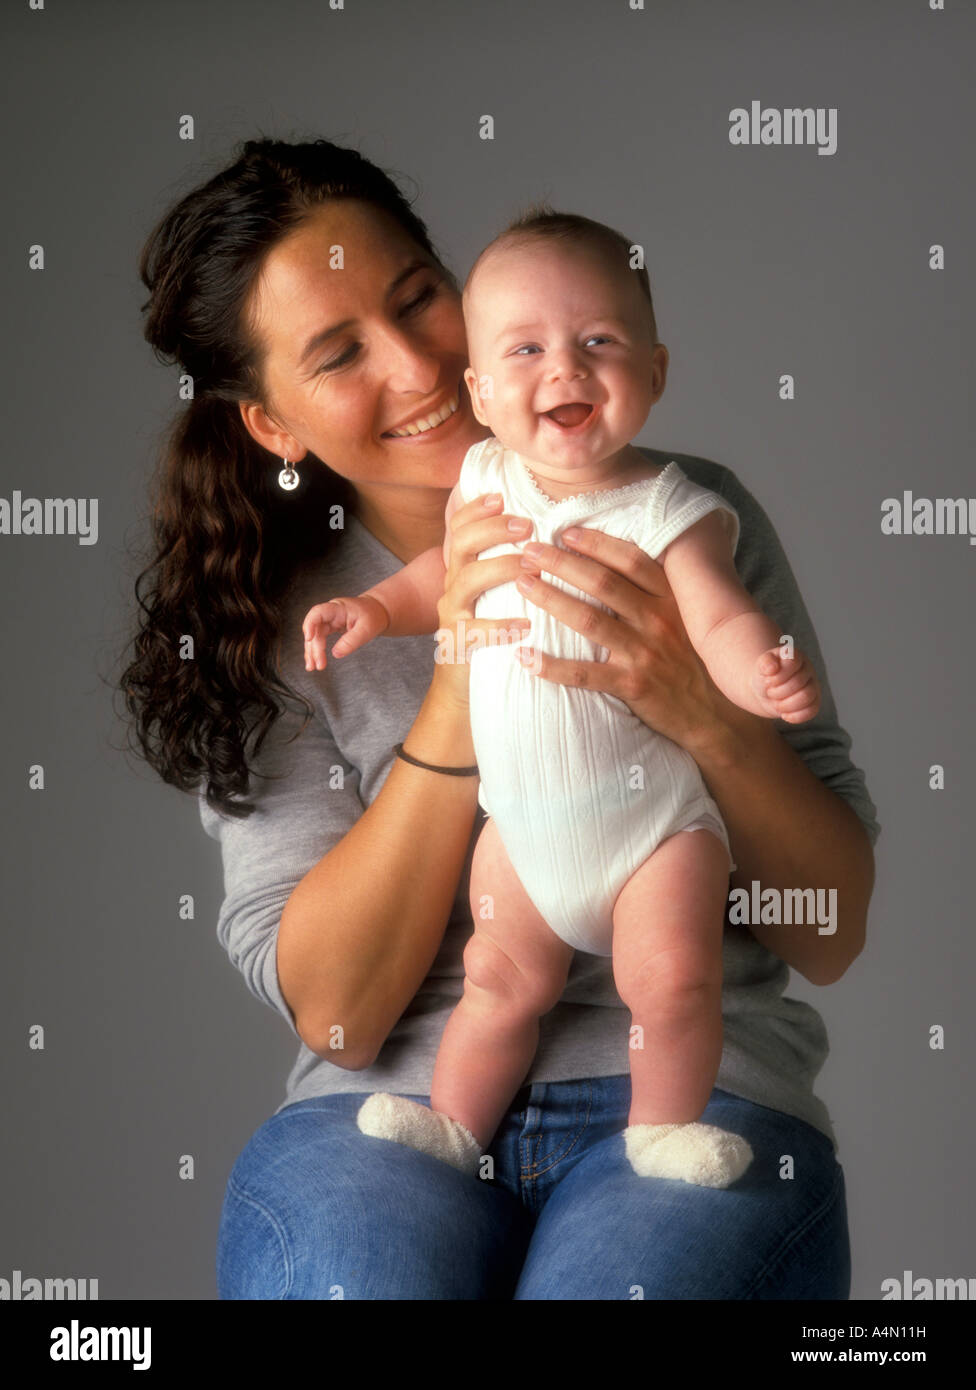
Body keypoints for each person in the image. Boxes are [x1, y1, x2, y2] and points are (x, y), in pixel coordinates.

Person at [122, 136, 880, 1300]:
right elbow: (336, 1016)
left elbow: (826, 928)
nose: (417, 367)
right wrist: (456, 671)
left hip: (693, 1085)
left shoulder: (681, 517)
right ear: (272, 424)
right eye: (337, 354)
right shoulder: (275, 619)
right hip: (391, 1106)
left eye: (417, 296)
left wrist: (708, 715)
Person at [299, 210, 824, 1191]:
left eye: (599, 344)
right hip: (522, 830)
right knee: (498, 982)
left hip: (652, 832)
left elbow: (717, 617)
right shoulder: (484, 477)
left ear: (655, 374)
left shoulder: (670, 507)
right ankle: (453, 1127)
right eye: (528, 349)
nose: (565, 371)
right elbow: (435, 576)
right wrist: (375, 607)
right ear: (482, 391)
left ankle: (660, 1131)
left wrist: (762, 670)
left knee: (670, 983)